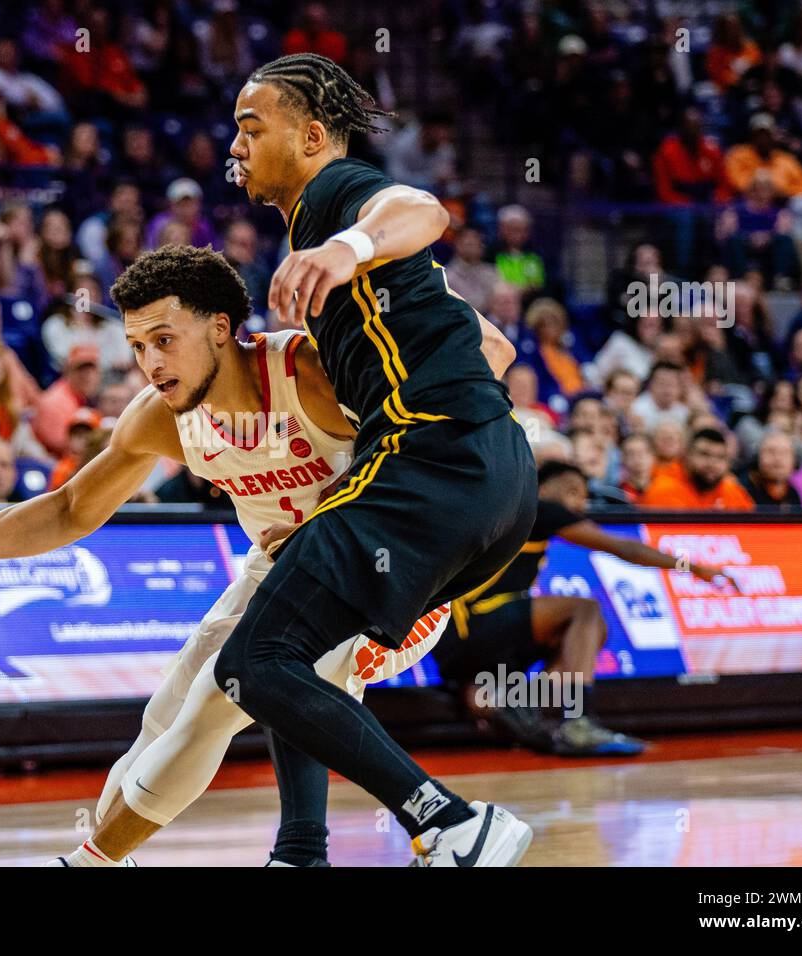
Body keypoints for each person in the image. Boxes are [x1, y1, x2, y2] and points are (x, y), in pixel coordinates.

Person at [0, 245, 517, 868]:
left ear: (221, 329)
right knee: (163, 717)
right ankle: (227, 851)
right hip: (285, 569)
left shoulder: (310, 371)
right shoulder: (161, 415)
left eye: (165, 340)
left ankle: (97, 863)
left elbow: (491, 353)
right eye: (138, 345)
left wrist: (340, 501)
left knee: (217, 697)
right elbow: (70, 509)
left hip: (389, 570)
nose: (150, 362)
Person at [218, 53, 537, 867]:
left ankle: (454, 822)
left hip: (430, 463)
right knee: (287, 643)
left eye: (252, 129)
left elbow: (422, 206)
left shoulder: (335, 196)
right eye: (234, 132)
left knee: (252, 662)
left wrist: (350, 246)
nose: (237, 146)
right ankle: (301, 850)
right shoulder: (321, 242)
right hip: (491, 473)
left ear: (313, 135)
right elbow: (492, 344)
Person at [434, 460, 734, 756]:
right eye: (573, 491)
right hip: (471, 622)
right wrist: (692, 566)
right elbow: (624, 548)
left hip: (450, 646)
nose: (581, 502)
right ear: (546, 486)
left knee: (490, 695)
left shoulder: (504, 514)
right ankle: (578, 719)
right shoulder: (539, 507)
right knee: (586, 614)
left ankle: (511, 704)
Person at [640, 427, 756, 510]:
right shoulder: (664, 489)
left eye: (721, 457)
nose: (713, 463)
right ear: (687, 456)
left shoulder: (731, 491)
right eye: (704, 454)